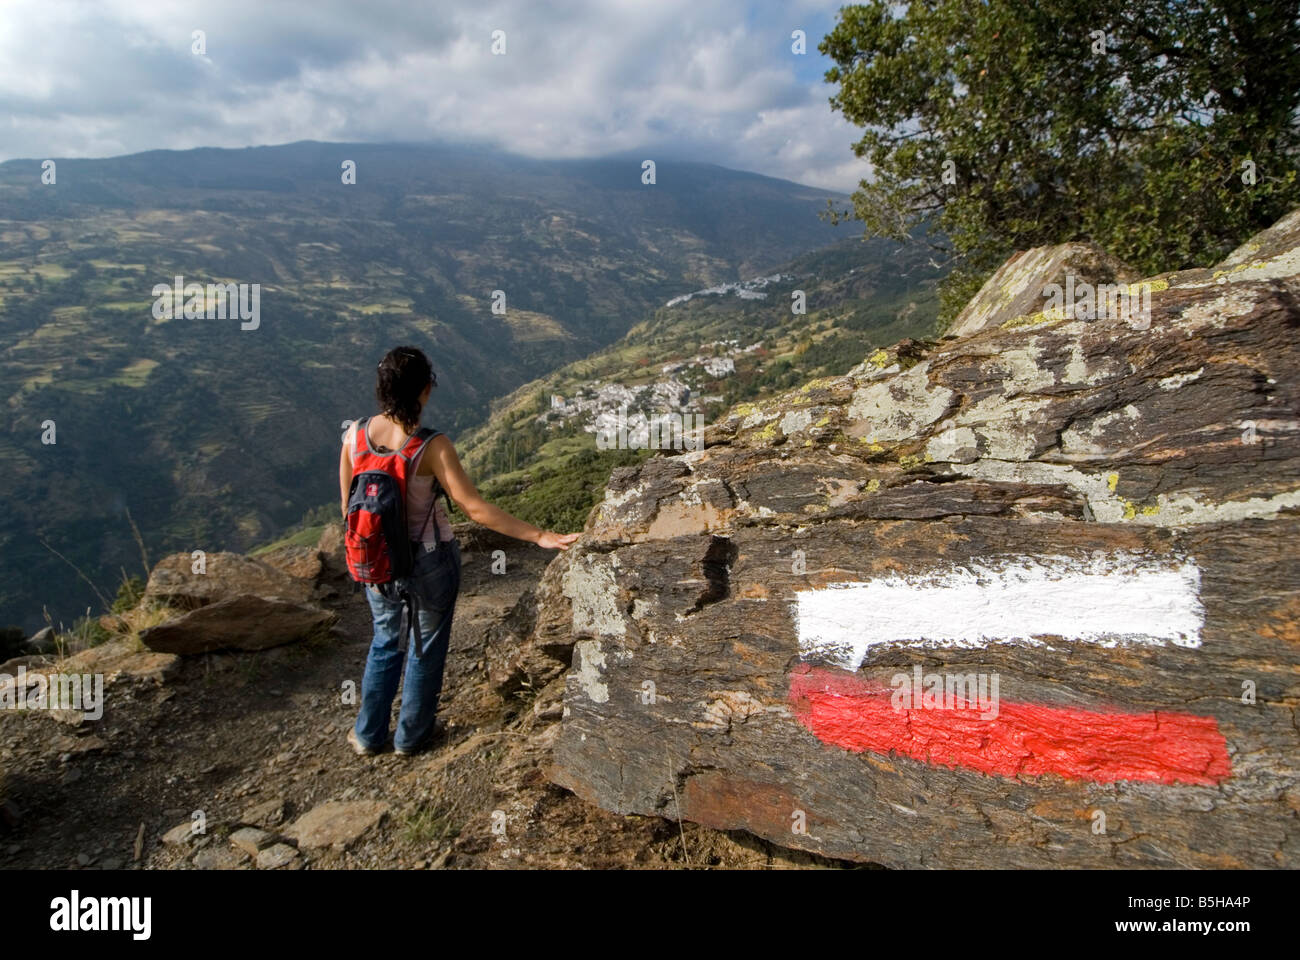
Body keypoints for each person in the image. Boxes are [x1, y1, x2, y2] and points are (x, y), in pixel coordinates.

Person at [339, 345, 580, 756]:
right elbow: (474, 508)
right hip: (430, 560)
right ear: (425, 391)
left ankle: (367, 735)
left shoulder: (355, 436)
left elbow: (348, 509)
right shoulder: (431, 446)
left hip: (376, 561)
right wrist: (538, 535)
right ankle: (411, 737)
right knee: (425, 647)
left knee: (385, 641)